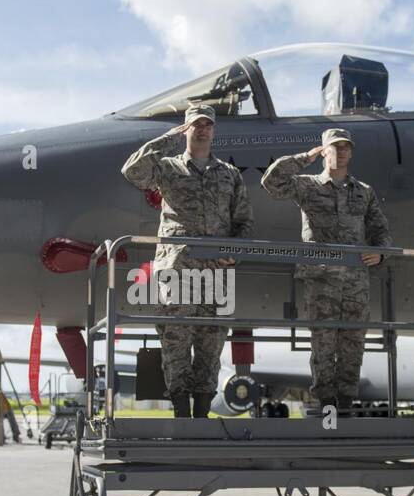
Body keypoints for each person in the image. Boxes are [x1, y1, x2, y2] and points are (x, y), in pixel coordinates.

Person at [121, 104, 253, 418]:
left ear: (214, 130)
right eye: (196, 124)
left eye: (208, 124)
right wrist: (168, 139)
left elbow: (244, 221)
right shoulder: (167, 168)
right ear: (186, 129)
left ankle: (202, 414)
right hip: (177, 268)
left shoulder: (229, 174)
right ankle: (181, 413)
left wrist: (235, 249)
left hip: (217, 273)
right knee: (175, 342)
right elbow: (132, 171)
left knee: (212, 343)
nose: (202, 129)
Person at [261, 128, 391, 416]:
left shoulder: (363, 192)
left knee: (353, 343)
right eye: (335, 146)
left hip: (356, 282)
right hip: (321, 280)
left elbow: (381, 230)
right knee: (323, 344)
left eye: (346, 147)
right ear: (324, 151)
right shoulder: (308, 186)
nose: (341, 151)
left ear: (351, 152)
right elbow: (271, 182)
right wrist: (303, 158)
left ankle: (345, 405)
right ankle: (326, 405)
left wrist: (380, 252)